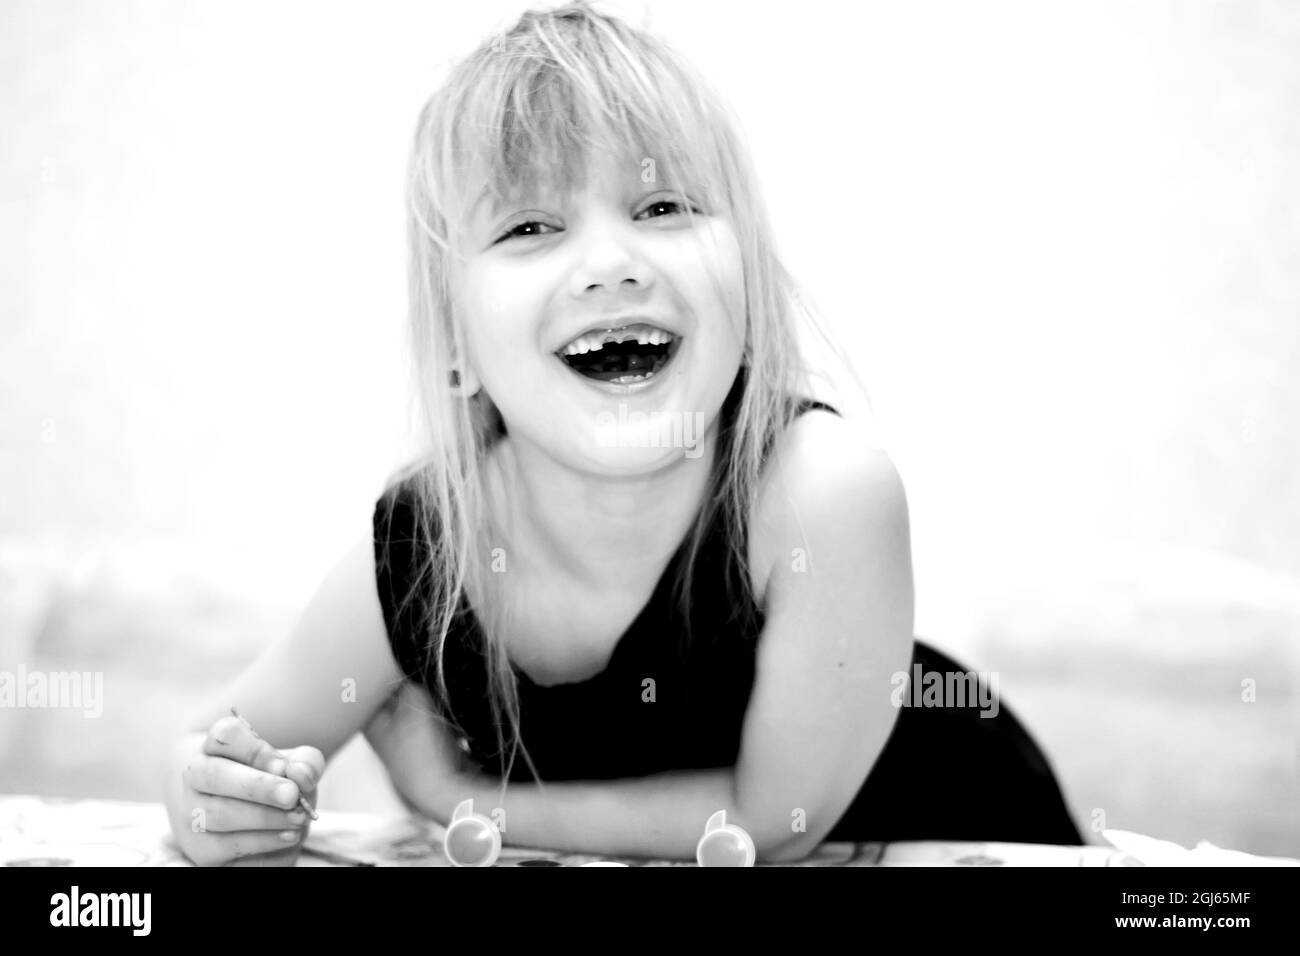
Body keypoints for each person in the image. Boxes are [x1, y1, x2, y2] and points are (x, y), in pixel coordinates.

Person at [164, 1, 1081, 866]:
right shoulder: (425, 553)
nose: (609, 264)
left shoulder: (821, 495)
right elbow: (216, 752)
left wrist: (453, 795)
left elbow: (773, 824)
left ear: (750, 291)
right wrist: (218, 802)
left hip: (964, 826)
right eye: (530, 225)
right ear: (457, 348)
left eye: (661, 208)